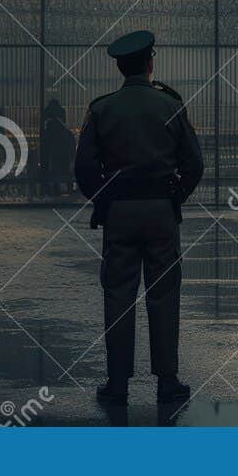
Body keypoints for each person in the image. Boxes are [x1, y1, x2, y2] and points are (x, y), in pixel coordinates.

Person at [75, 30, 204, 406]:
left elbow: (84, 167)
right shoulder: (171, 106)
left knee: (118, 295)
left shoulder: (102, 109)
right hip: (161, 210)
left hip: (120, 211)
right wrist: (174, 195)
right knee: (163, 295)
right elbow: (194, 164)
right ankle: (167, 381)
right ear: (150, 63)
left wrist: (105, 198)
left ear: (119, 66)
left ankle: (117, 384)